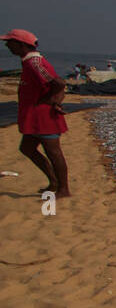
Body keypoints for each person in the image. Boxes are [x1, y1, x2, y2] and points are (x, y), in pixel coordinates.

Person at [4, 28, 70, 198]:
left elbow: (58, 83)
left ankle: (63, 189)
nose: (7, 46)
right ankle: (54, 182)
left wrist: (46, 99)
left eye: (10, 43)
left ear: (20, 45)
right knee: (27, 148)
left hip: (43, 115)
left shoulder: (34, 63)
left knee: (53, 151)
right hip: (34, 115)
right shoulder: (28, 62)